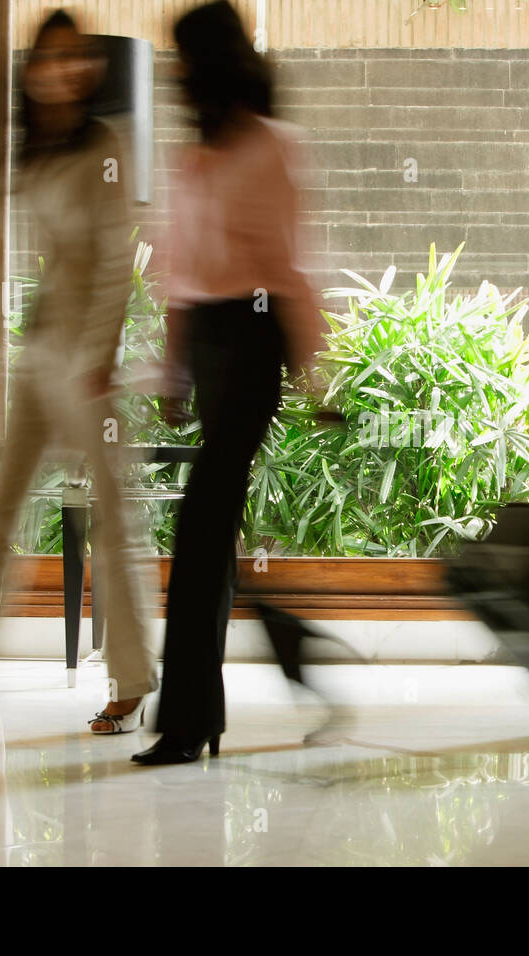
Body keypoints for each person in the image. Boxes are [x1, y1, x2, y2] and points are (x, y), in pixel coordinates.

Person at [0, 10, 157, 733]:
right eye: (49, 58)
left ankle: (133, 678)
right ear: (33, 71)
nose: (62, 69)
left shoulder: (105, 147)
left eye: (74, 58)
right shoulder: (34, 151)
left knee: (116, 521)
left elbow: (116, 263)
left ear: (88, 70)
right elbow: (17, 222)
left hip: (90, 367)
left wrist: (101, 357)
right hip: (42, 354)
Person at [132, 1, 325, 765]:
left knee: (201, 527)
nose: (174, 72)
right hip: (209, 347)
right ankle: (288, 648)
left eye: (181, 58)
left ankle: (185, 720)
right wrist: (173, 367)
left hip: (251, 347)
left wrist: (314, 371)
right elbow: (178, 274)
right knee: (211, 535)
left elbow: (289, 266)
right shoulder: (195, 157)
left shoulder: (275, 147)